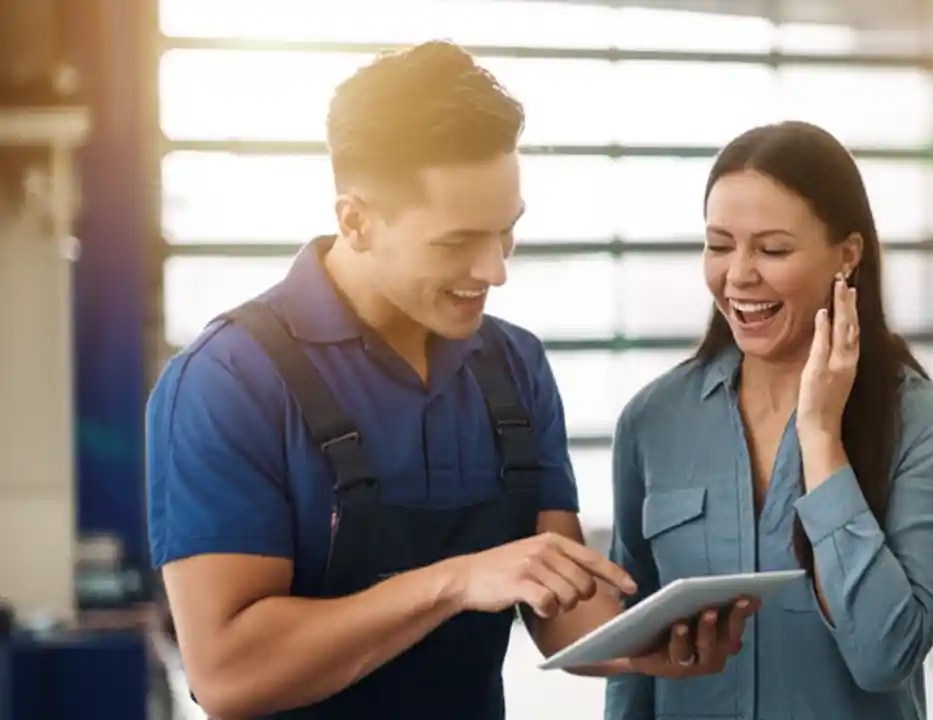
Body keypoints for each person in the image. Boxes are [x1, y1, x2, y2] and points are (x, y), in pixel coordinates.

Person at [145, 40, 753, 719]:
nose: (494, 269)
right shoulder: (229, 382)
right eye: (457, 241)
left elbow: (560, 612)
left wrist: (650, 644)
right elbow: (230, 674)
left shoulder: (513, 368)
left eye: (506, 233)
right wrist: (456, 582)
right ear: (356, 220)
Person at [604, 120, 933, 720]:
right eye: (720, 244)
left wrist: (821, 436)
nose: (739, 275)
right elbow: (633, 652)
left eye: (773, 249)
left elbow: (886, 653)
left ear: (847, 256)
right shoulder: (654, 420)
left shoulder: (930, 427)